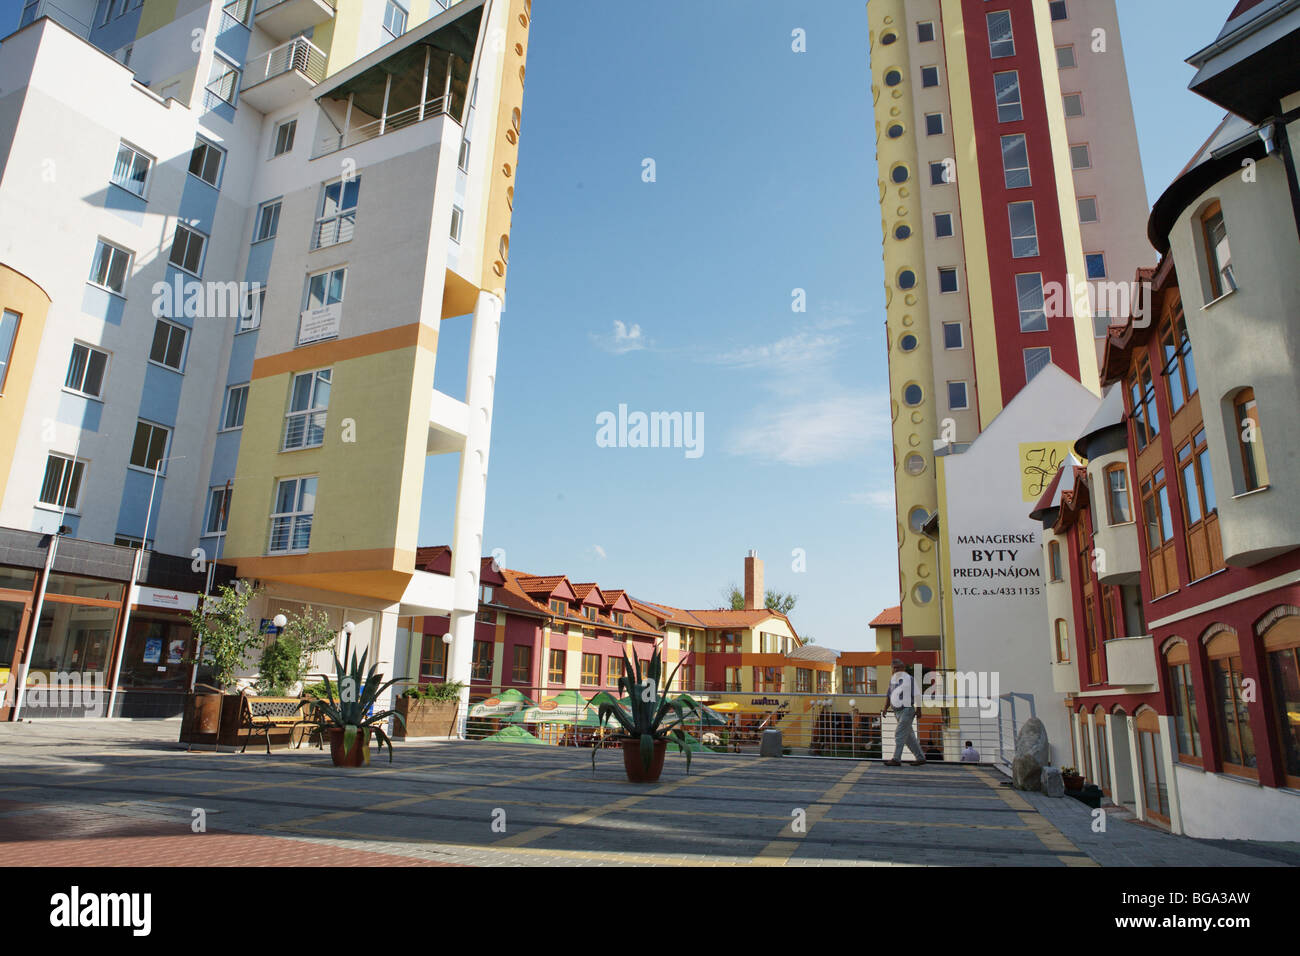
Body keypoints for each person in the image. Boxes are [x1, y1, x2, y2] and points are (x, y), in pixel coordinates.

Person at [882, 659, 925, 766]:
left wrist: (919, 710)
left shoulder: (909, 679)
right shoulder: (892, 680)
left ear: (903, 668)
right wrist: (885, 708)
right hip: (897, 712)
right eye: (894, 668)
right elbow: (889, 695)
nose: (896, 670)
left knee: (899, 734)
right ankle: (920, 758)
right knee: (909, 737)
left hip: (907, 710)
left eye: (898, 668)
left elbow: (917, 695)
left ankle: (896, 759)